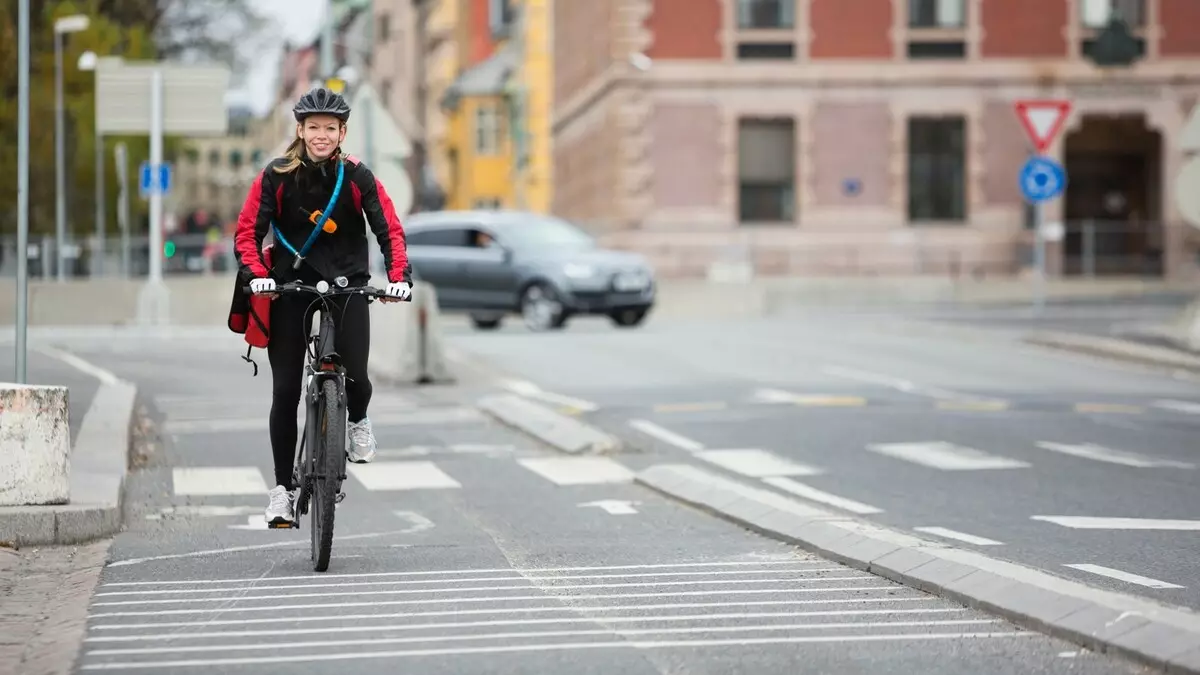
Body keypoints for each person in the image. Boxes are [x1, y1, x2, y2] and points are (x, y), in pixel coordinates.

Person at [233, 86, 413, 525]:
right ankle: (281, 490)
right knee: (285, 391)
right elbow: (246, 234)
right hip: (289, 284)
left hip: (347, 281)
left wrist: (398, 278)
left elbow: (388, 228)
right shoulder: (275, 176)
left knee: (358, 373)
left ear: (342, 132)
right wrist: (259, 276)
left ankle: (359, 421)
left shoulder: (357, 177)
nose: (320, 135)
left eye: (329, 129)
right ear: (300, 129)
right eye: (313, 127)